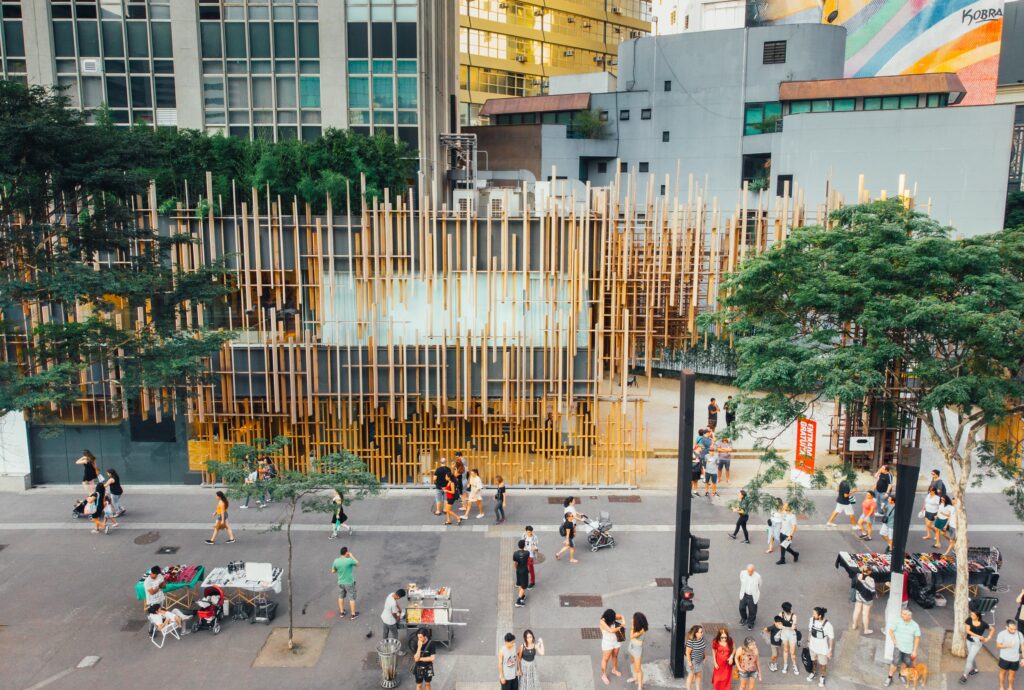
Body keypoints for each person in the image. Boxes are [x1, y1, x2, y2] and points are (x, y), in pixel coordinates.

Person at [885, 608, 921, 686]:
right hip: (898, 647)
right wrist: (894, 640)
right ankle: (889, 677)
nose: (902, 615)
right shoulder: (897, 621)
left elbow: (917, 639)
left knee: (905, 663)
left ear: (910, 616)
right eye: (902, 613)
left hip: (908, 650)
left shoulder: (915, 625)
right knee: (894, 663)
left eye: (904, 614)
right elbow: (890, 631)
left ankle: (901, 675)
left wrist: (914, 651)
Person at [960, 608, 993, 684]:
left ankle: (964, 675)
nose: (971, 616)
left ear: (977, 617)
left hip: (977, 644)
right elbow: (967, 630)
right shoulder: (969, 619)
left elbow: (992, 629)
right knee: (971, 657)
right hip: (969, 641)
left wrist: (988, 638)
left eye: (973, 615)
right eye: (971, 614)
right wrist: (978, 635)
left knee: (969, 659)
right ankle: (975, 669)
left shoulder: (983, 624)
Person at [807, 606, 834, 687]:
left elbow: (831, 638)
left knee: (823, 664)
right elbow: (810, 631)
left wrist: (830, 650)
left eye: (814, 614)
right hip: (812, 646)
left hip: (822, 649)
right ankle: (814, 672)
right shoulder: (812, 620)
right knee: (813, 661)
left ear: (820, 616)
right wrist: (808, 641)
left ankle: (822, 677)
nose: (812, 615)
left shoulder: (828, 625)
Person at [331, 546, 359, 620]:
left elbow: (333, 571)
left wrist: (340, 569)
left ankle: (342, 612)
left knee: (341, 596)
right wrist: (352, 556)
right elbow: (357, 563)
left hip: (340, 582)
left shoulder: (336, 561)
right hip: (349, 582)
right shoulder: (349, 560)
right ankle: (353, 614)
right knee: (351, 598)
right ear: (346, 553)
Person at [599, 609, 626, 685]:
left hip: (616, 641)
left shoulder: (612, 617)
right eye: (613, 619)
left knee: (615, 656)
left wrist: (623, 620)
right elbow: (611, 630)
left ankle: (614, 670)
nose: (614, 619)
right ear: (609, 618)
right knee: (605, 659)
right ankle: (603, 675)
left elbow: (621, 616)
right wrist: (621, 626)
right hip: (607, 643)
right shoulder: (602, 622)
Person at [998, 620, 1024, 690]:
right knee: (1002, 673)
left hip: (1015, 659)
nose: (1013, 631)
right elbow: (998, 646)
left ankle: (1010, 688)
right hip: (1004, 658)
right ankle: (1001, 687)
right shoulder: (1001, 634)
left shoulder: (1019, 634)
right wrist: (1006, 645)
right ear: (1006, 627)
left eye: (1015, 629)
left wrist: (1023, 658)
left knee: (1012, 675)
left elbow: (1022, 646)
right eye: (1011, 629)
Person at [850, 566, 876, 634]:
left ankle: (854, 625)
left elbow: (854, 585)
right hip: (867, 598)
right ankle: (866, 630)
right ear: (869, 572)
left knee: (856, 611)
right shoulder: (871, 580)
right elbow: (873, 591)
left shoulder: (858, 575)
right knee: (865, 614)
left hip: (858, 596)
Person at [627, 612, 648, 688]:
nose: (632, 619)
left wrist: (632, 626)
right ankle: (635, 677)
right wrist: (633, 625)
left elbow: (631, 636)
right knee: (633, 663)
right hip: (632, 646)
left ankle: (640, 686)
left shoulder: (642, 629)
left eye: (633, 619)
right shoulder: (637, 627)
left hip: (637, 650)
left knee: (638, 669)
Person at [778, 602, 799, 675]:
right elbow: (778, 624)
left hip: (792, 635)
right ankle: (785, 664)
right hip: (784, 634)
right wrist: (786, 627)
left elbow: (793, 627)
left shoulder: (794, 616)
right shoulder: (781, 614)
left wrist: (783, 627)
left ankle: (794, 665)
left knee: (792, 652)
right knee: (786, 650)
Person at [739, 564, 761, 630]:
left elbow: (759, 584)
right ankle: (744, 618)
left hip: (752, 596)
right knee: (741, 608)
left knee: (752, 610)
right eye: (748, 571)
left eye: (751, 571)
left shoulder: (757, 576)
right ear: (746, 570)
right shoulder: (743, 573)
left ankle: (751, 622)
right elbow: (741, 580)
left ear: (754, 570)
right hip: (744, 594)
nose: (749, 573)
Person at [685, 625, 707, 690]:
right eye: (701, 632)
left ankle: (698, 689)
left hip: (700, 660)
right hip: (693, 662)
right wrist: (689, 663)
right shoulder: (690, 641)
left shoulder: (701, 639)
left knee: (698, 675)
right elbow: (687, 653)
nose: (702, 633)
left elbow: (703, 648)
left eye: (702, 632)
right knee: (691, 676)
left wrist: (705, 657)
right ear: (696, 633)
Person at [513, 539, 531, 607]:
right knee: (524, 587)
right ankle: (518, 601)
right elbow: (529, 560)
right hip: (524, 571)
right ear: (524, 546)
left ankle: (522, 596)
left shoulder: (515, 553)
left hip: (518, 570)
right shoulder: (527, 553)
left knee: (520, 584)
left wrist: (516, 569)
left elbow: (515, 563)